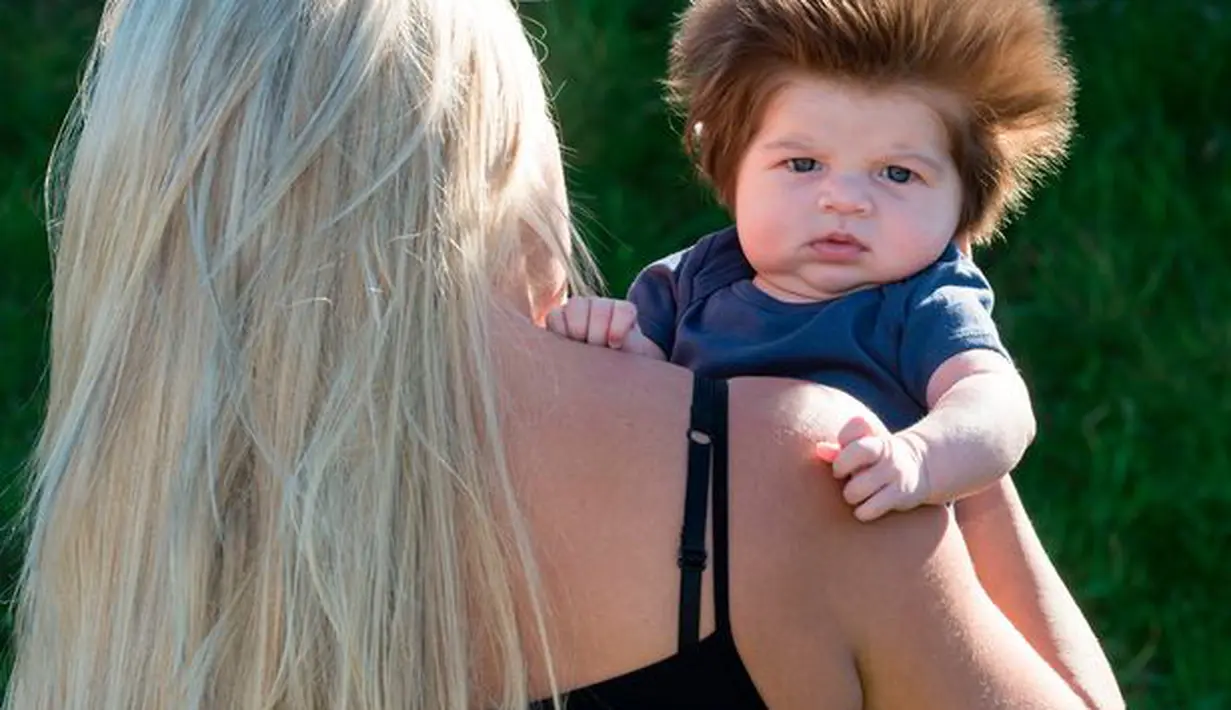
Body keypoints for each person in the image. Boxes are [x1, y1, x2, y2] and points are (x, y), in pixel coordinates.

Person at [4, 0, 1124, 708]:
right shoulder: (800, 476)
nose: (842, 197)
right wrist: (957, 458)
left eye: (894, 173)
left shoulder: (125, 565)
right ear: (494, 148)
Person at [547, 0, 1072, 522]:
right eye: (802, 164)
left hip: (865, 583)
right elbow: (641, 409)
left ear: (965, 202)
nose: (844, 199)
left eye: (896, 174)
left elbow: (997, 404)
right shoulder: (689, 284)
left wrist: (920, 459)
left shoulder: (924, 301)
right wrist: (614, 344)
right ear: (727, 167)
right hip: (701, 576)